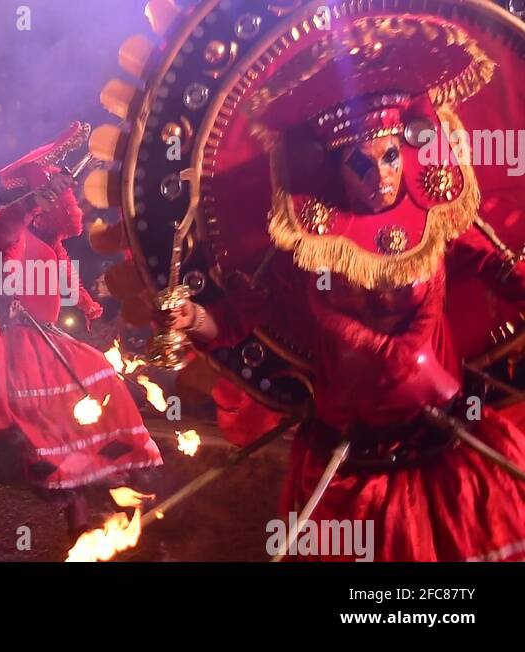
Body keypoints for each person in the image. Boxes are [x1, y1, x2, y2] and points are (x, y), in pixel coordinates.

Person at [160, 15, 525, 560]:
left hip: (447, 434)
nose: (379, 176)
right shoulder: (311, 242)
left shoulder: (441, 221)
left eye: (389, 158)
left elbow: (502, 274)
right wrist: (192, 320)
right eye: (360, 164)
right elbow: (239, 317)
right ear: (335, 169)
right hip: (351, 456)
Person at [0, 123, 161, 535]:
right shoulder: (5, 226)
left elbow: (64, 280)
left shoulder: (49, 240)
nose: (64, 204)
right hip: (22, 343)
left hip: (50, 335)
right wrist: (28, 205)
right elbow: (3, 238)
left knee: (99, 375)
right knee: (51, 418)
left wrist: (90, 304)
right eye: (50, 195)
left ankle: (115, 470)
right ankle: (73, 500)